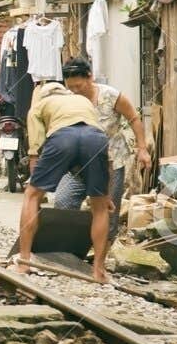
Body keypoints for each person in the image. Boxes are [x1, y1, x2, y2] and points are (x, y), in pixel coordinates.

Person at [18, 81, 113, 283]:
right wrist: (107, 193)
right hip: (95, 139)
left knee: (31, 197)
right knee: (100, 206)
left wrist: (36, 181)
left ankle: (24, 261)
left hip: (62, 137)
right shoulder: (82, 101)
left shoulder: (39, 106)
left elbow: (35, 148)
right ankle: (98, 271)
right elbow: (94, 140)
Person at [53, 57, 151, 239]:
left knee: (108, 213)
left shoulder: (110, 96)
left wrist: (142, 149)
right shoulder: (67, 99)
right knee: (63, 202)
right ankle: (73, 247)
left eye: (79, 86)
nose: (75, 91)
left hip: (110, 164)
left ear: (90, 77)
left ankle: (101, 258)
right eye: (70, 87)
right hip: (77, 164)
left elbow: (134, 118)